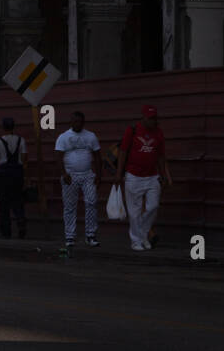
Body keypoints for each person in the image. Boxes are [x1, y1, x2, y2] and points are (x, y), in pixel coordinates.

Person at [115, 104, 172, 251]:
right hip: (133, 176)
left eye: (155, 118)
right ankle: (136, 241)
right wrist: (119, 173)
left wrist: (164, 175)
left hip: (152, 176)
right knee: (134, 211)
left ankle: (143, 235)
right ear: (144, 117)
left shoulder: (158, 133)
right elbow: (122, 151)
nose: (154, 121)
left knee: (153, 206)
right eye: (151, 118)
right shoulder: (132, 130)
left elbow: (161, 156)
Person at [55, 110, 101, 249]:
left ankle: (90, 235)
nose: (77, 124)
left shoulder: (91, 136)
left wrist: (99, 174)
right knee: (69, 206)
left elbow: (98, 156)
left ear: (83, 122)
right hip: (70, 175)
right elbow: (58, 157)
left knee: (91, 202)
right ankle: (70, 237)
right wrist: (64, 174)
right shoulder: (63, 137)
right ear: (71, 122)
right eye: (75, 121)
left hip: (87, 175)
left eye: (80, 122)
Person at [0, 117, 27, 239]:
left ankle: (6, 232)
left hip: (3, 176)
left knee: (3, 205)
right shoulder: (21, 140)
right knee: (18, 201)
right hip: (17, 175)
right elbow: (25, 161)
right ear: (13, 126)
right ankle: (21, 223)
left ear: (3, 127)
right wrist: (26, 177)